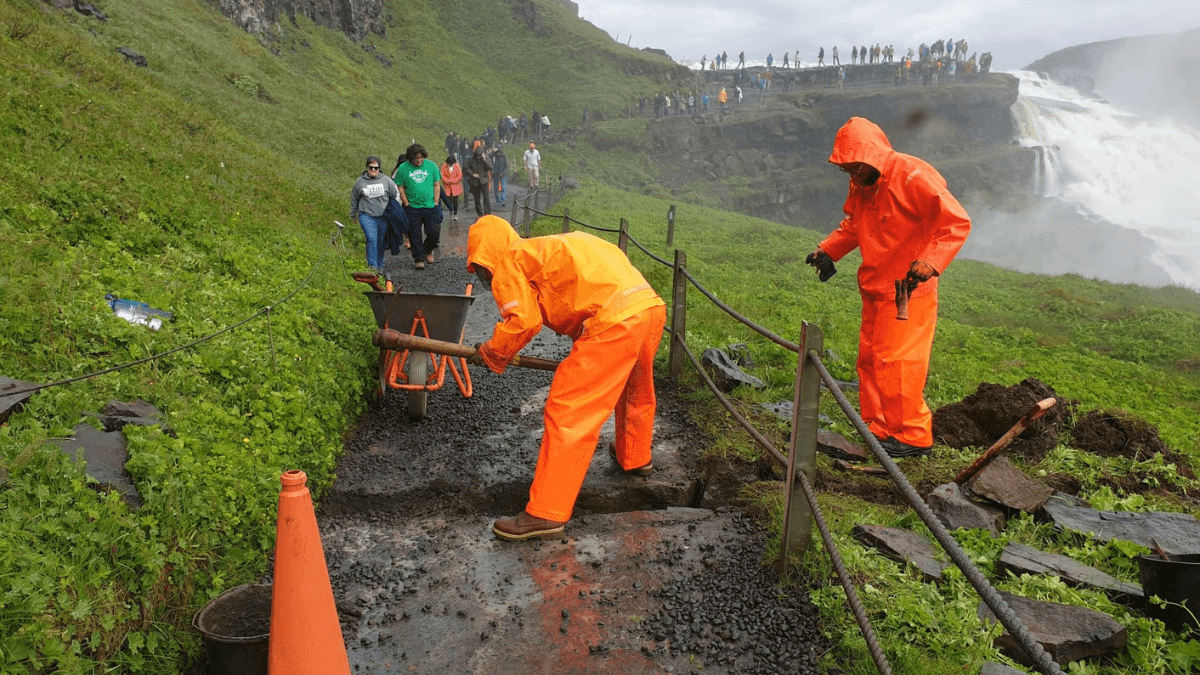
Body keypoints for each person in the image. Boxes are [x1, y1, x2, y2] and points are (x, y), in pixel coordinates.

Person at [466, 216, 667, 541]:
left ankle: (545, 513)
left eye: (479, 267)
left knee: (568, 408)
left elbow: (523, 322)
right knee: (635, 387)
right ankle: (635, 455)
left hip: (614, 320)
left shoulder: (510, 261)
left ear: (488, 253)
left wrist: (491, 352)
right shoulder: (541, 250)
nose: (484, 277)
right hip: (648, 307)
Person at [805, 117, 970, 458]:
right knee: (870, 360)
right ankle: (880, 428)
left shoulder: (913, 174)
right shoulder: (864, 181)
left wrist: (931, 261)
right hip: (875, 287)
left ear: (872, 155)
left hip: (909, 290)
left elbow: (955, 220)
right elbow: (855, 224)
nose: (852, 175)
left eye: (855, 167)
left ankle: (911, 435)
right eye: (846, 169)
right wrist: (828, 249)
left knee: (899, 361)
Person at [394, 143, 442, 270]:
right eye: (416, 158)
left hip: (431, 205)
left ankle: (428, 250)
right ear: (411, 158)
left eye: (421, 157)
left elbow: (437, 184)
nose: (419, 160)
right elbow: (400, 186)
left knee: (434, 232)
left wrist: (436, 202)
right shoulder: (403, 168)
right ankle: (419, 258)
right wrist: (406, 203)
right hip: (412, 207)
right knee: (414, 234)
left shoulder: (431, 166)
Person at [349, 155, 399, 271]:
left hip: (383, 216)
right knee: (372, 238)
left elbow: (395, 195)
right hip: (366, 215)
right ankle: (372, 266)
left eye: (375, 168)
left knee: (381, 241)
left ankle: (379, 265)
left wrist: (394, 211)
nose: (373, 170)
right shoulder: (360, 182)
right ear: (367, 168)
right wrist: (353, 214)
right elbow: (355, 199)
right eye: (370, 167)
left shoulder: (387, 181)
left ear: (379, 168)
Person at [463, 141, 492, 218]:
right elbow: (466, 168)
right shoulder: (471, 159)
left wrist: (485, 159)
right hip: (475, 182)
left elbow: (490, 167)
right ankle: (480, 214)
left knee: (486, 198)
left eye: (480, 154)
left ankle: (487, 214)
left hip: (484, 180)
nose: (479, 156)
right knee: (477, 199)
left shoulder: (486, 159)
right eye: (478, 154)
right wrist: (472, 173)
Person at [440, 155, 462, 221]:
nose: (450, 165)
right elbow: (442, 175)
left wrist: (453, 181)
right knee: (449, 200)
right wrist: (447, 181)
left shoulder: (456, 166)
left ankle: (455, 214)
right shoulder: (444, 166)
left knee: (455, 201)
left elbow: (459, 176)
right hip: (447, 186)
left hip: (455, 186)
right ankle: (451, 210)